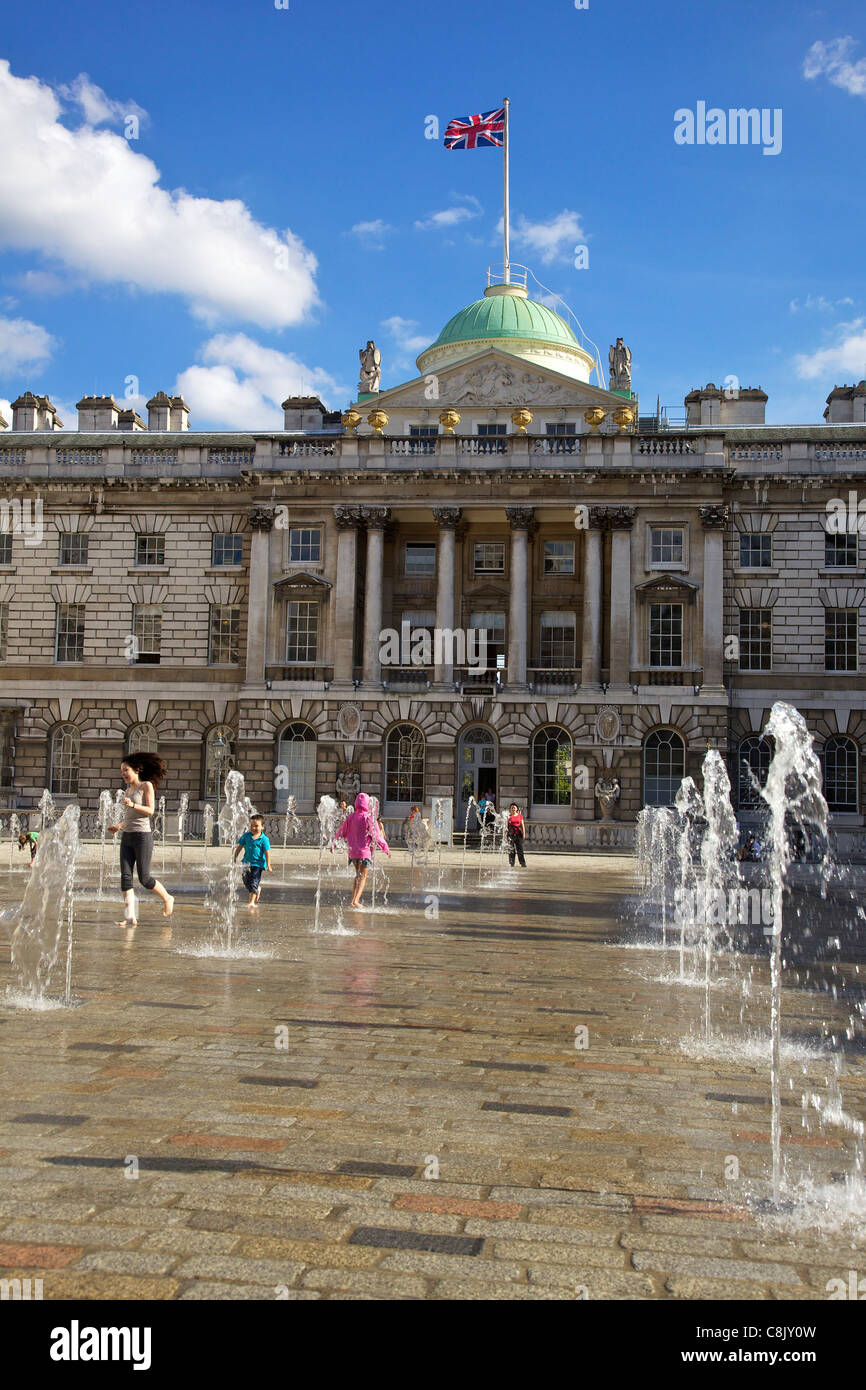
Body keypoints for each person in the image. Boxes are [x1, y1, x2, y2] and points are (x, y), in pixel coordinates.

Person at [107, 753, 174, 926]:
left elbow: (151, 811)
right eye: (121, 771)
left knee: (144, 878)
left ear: (136, 770)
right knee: (126, 877)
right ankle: (130, 916)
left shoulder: (146, 786)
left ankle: (168, 898)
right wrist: (119, 826)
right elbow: (131, 816)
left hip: (143, 837)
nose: (123, 774)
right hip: (127, 836)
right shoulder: (128, 790)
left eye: (126, 770)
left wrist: (133, 804)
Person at [332, 791, 390, 907]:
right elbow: (376, 835)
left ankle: (353, 900)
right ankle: (356, 901)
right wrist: (385, 848)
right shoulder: (368, 818)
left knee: (357, 875)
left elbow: (341, 831)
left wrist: (334, 844)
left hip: (353, 852)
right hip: (364, 852)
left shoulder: (351, 817)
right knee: (363, 877)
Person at [233, 813, 272, 907]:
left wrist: (268, 864)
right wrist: (234, 856)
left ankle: (251, 902)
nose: (253, 828)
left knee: (253, 881)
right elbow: (239, 847)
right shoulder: (246, 836)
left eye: (256, 826)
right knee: (246, 881)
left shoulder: (264, 839)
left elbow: (267, 852)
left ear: (262, 827)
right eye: (251, 826)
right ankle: (257, 889)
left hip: (257, 865)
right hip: (246, 863)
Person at [506, 803, 527, 868]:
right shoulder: (508, 816)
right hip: (511, 834)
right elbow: (506, 826)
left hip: (518, 834)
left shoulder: (520, 816)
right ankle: (511, 863)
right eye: (512, 808)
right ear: (510, 809)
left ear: (517, 809)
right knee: (511, 850)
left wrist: (524, 834)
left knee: (520, 849)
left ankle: (522, 863)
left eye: (514, 807)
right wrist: (505, 835)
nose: (513, 809)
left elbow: (522, 825)